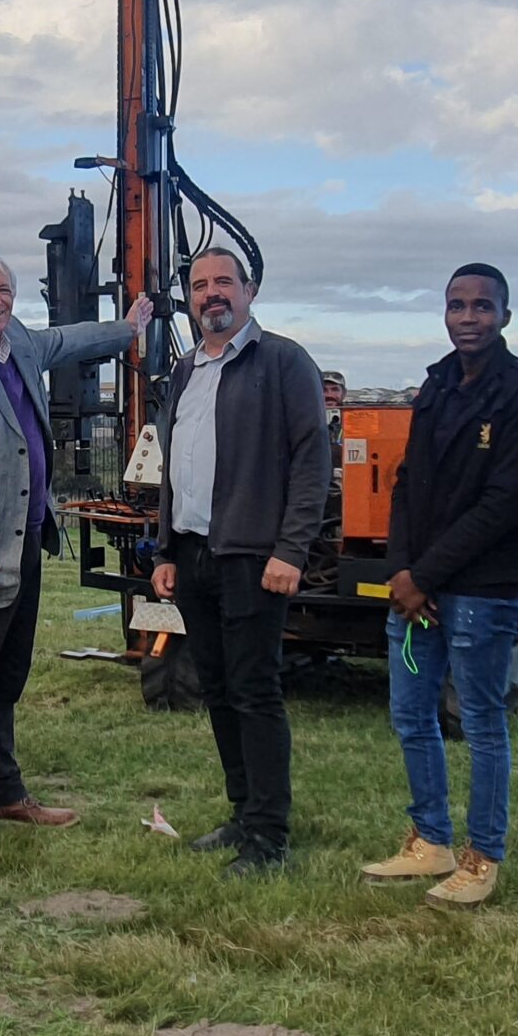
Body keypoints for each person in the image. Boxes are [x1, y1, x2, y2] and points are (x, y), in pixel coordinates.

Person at [0, 256, 152, 855]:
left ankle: (4, 792)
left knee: (6, 677)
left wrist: (128, 328)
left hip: (25, 543)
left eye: (4, 290)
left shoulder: (16, 342)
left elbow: (67, 341)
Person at [361, 264, 518, 907]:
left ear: (505, 316)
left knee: (481, 723)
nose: (469, 318)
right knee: (412, 715)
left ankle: (481, 856)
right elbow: (407, 484)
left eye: (482, 306)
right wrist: (402, 571)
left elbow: (504, 504)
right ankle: (429, 841)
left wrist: (425, 575)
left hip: (480, 590)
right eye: (457, 306)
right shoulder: (437, 383)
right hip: (418, 590)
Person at [150, 247, 329, 876]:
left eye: (224, 281)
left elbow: (312, 461)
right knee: (219, 690)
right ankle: (243, 810)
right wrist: (167, 549)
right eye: (200, 285)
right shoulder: (185, 371)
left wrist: (291, 550)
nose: (212, 294)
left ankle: (269, 836)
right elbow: (176, 464)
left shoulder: (283, 362)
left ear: (248, 291)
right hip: (194, 554)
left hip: (254, 557)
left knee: (255, 692)